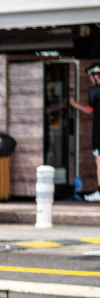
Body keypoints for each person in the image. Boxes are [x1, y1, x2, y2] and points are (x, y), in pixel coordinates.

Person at [70, 63, 100, 202]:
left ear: (96, 76)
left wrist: (75, 104)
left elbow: (89, 110)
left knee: (99, 160)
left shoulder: (95, 92)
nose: (90, 80)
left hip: (98, 131)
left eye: (91, 77)